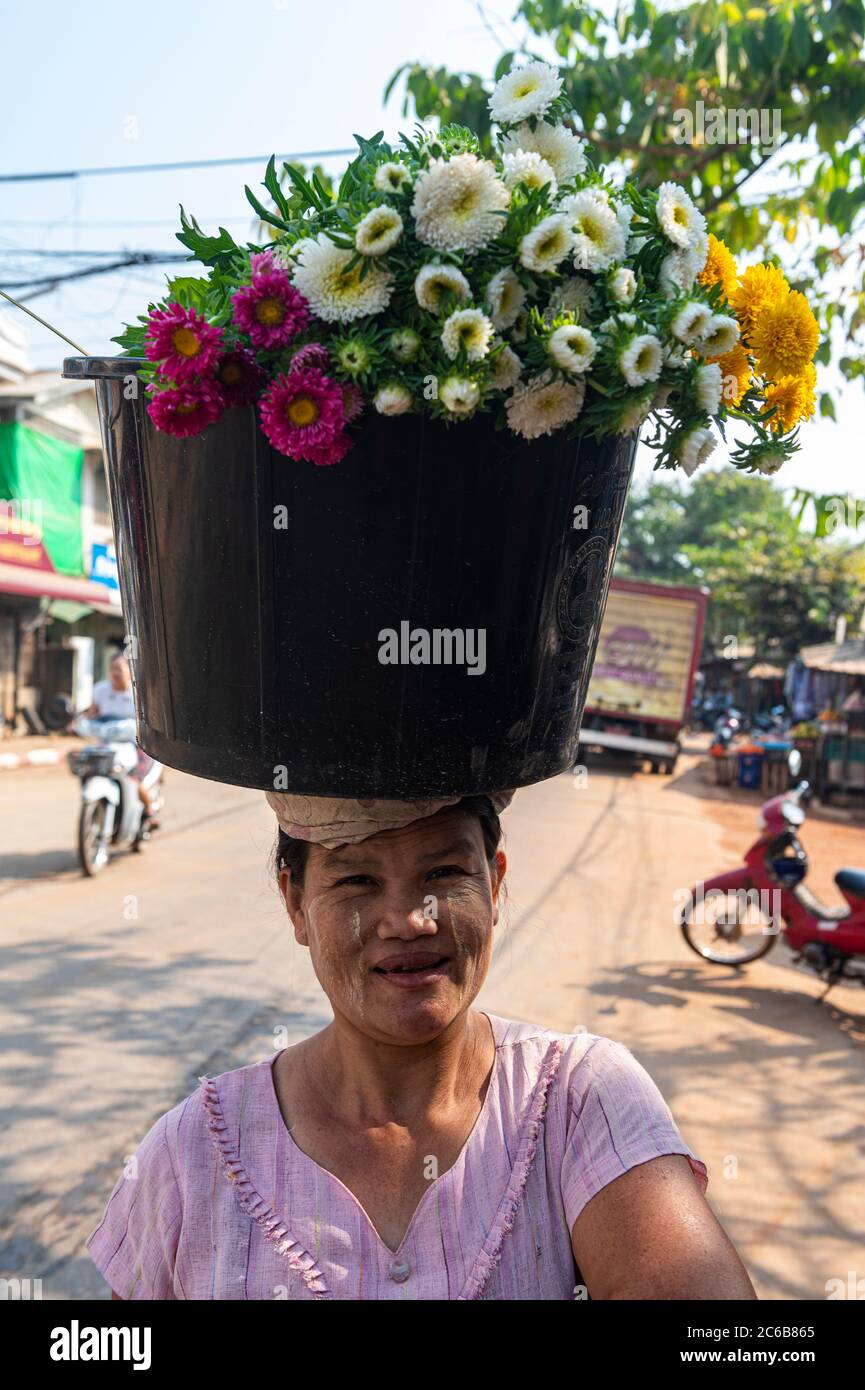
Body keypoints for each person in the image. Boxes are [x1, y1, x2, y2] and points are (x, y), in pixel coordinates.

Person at [86, 791, 756, 1301]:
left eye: (443, 874)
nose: (408, 921)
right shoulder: (193, 1152)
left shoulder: (579, 1097)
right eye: (356, 881)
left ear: (493, 885)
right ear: (295, 905)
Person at [80, 652, 163, 828]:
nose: (115, 673)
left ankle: (149, 812)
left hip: (137, 746)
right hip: (108, 744)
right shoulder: (101, 690)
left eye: (119, 668)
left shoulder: (139, 693)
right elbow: (91, 713)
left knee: (137, 782)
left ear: (130, 670)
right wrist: (78, 723)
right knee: (87, 769)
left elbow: (151, 718)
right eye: (112, 669)